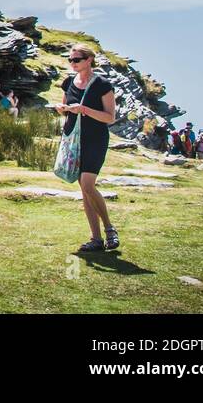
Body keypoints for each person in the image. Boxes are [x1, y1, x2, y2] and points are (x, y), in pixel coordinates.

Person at [54, 44, 119, 253]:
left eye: (77, 60)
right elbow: (66, 110)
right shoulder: (68, 82)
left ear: (89, 60)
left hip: (95, 139)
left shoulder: (102, 84)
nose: (73, 64)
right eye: (70, 60)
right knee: (84, 188)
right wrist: (62, 109)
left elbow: (110, 118)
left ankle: (109, 229)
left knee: (87, 184)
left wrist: (84, 110)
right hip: (73, 139)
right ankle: (96, 239)